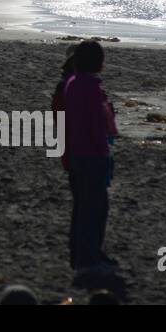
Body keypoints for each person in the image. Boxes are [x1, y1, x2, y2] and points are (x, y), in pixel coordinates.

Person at [61, 40, 118, 281]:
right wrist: (104, 148)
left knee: (88, 208)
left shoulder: (72, 84)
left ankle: (88, 255)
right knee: (93, 209)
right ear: (98, 63)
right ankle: (88, 259)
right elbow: (96, 125)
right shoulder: (91, 88)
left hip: (77, 152)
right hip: (92, 154)